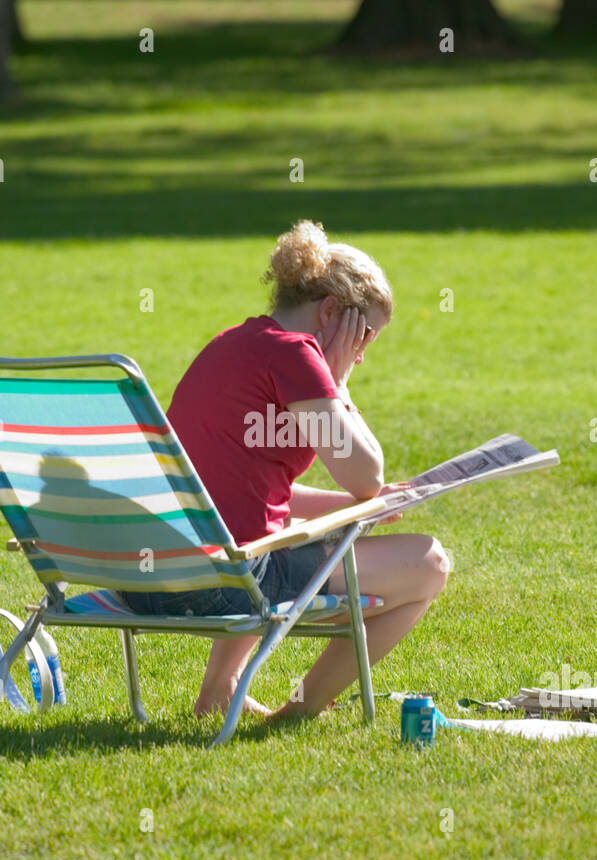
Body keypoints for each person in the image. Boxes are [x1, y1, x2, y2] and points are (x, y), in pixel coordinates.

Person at [116, 220, 450, 720]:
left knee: (271, 533)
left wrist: (357, 510)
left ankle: (220, 693)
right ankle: (296, 711)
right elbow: (367, 474)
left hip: (145, 576)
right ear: (331, 312)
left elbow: (237, 486)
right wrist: (339, 385)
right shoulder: (298, 355)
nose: (360, 357)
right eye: (365, 338)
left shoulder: (231, 343)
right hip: (219, 584)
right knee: (429, 563)